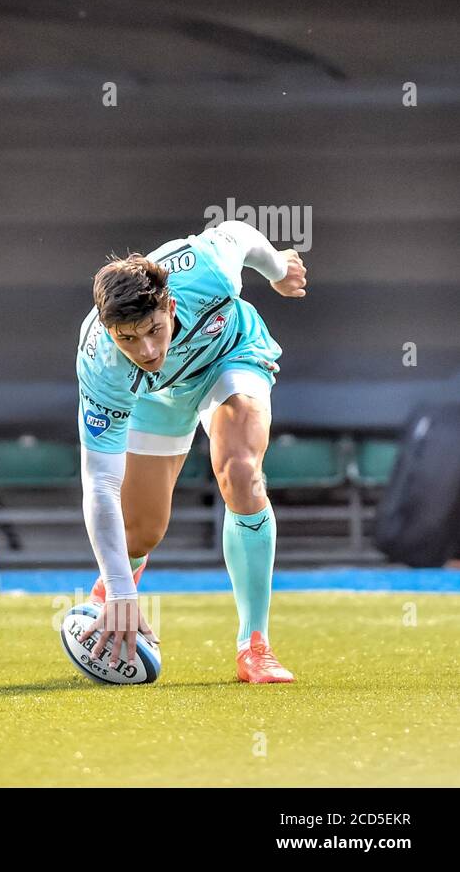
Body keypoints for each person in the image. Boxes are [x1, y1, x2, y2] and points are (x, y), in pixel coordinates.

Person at [74, 220, 308, 683]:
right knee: (140, 533)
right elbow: (99, 482)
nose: (145, 349)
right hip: (158, 397)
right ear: (108, 329)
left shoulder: (205, 270)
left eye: (153, 330)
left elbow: (240, 234)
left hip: (230, 355)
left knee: (241, 472)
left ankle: (254, 647)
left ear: (171, 306)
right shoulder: (100, 363)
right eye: (128, 338)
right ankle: (106, 596)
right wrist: (122, 592)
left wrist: (279, 268)